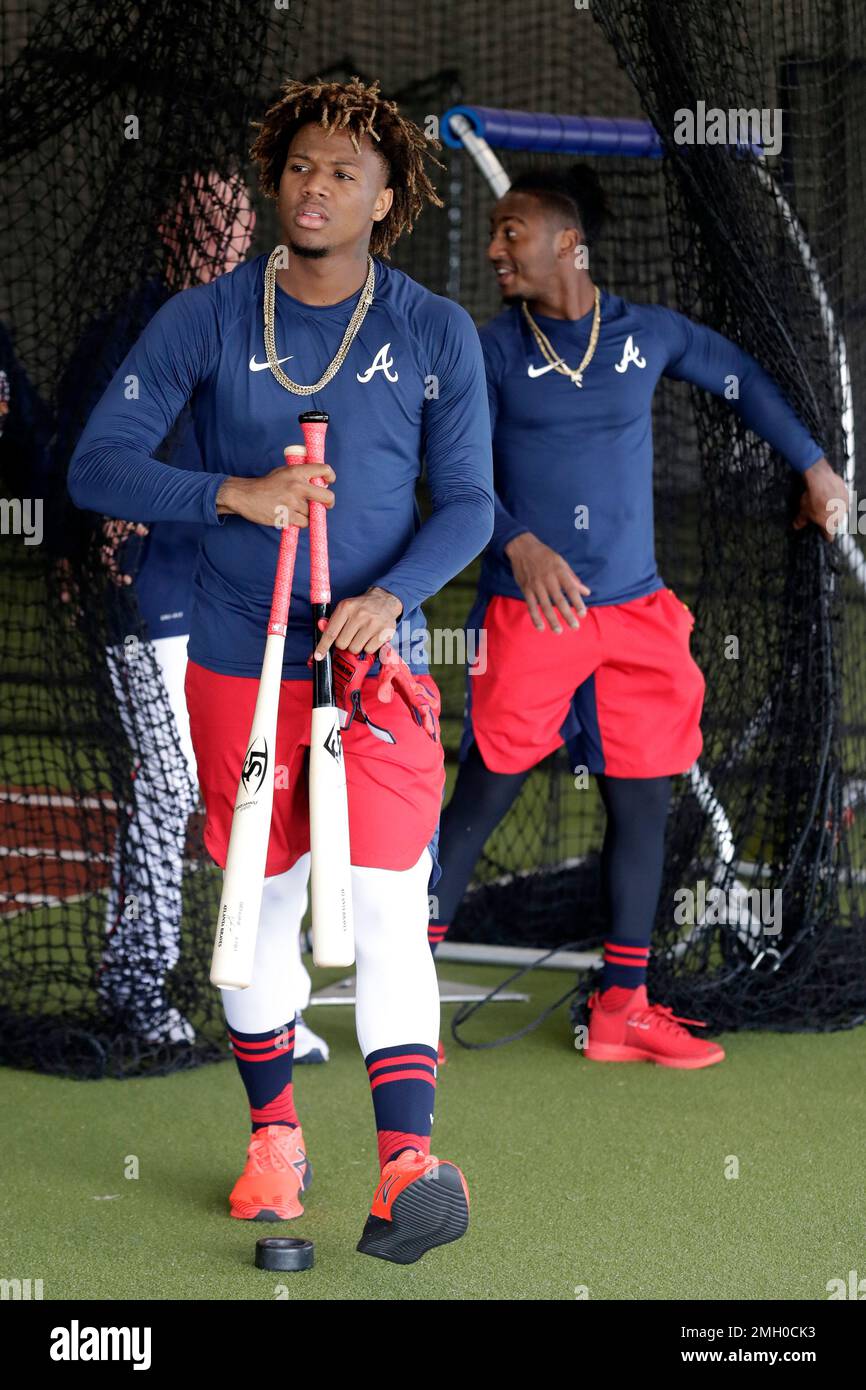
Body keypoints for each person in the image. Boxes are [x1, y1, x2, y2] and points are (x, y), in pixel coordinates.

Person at [69, 76, 494, 1264]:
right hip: (236, 661)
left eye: (344, 174)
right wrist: (234, 495)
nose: (316, 189)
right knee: (259, 904)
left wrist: (390, 597)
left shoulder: (432, 330)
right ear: (276, 178)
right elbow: (97, 464)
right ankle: (274, 1142)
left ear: (386, 198)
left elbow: (469, 501)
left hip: (372, 669)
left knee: (389, 903)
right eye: (301, 166)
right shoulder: (205, 317)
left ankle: (405, 1166)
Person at [428, 163, 847, 1069]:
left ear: (568, 245)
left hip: (638, 612)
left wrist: (814, 467)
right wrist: (518, 543)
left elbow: (739, 377)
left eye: (511, 232)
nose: (495, 248)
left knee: (645, 800)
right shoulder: (488, 350)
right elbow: (451, 472)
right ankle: (404, 991)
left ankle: (623, 1007)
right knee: (483, 797)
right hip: (531, 611)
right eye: (494, 233)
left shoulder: (644, 335)